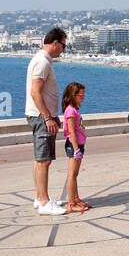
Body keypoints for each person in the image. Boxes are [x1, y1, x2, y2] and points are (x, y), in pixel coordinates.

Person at [27, 27, 67, 215]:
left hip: (43, 115)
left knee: (42, 160)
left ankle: (39, 196)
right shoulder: (42, 62)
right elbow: (35, 92)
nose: (63, 50)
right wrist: (47, 117)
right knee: (43, 160)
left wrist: (52, 113)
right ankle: (44, 203)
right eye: (63, 46)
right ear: (55, 42)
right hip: (41, 117)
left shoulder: (43, 60)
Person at [61, 82, 91, 213]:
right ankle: (71, 203)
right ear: (73, 95)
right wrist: (76, 149)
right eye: (81, 95)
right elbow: (71, 131)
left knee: (75, 174)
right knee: (71, 175)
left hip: (79, 144)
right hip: (74, 145)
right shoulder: (70, 111)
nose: (83, 97)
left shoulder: (74, 109)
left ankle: (76, 199)